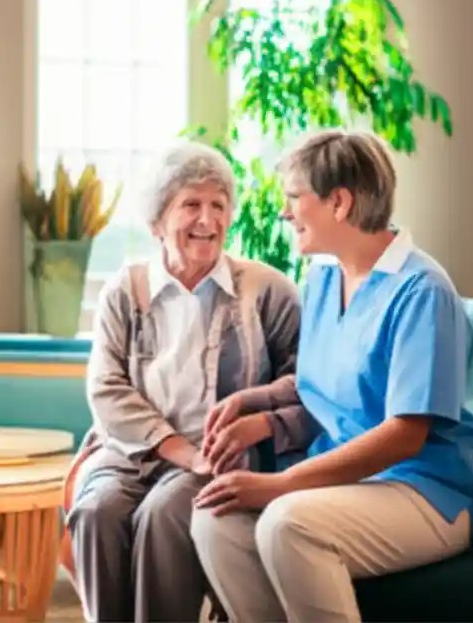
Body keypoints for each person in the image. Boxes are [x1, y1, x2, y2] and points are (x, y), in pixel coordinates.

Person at [190, 130, 473, 623]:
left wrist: (281, 483)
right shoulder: (323, 281)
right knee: (214, 519)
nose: (284, 213)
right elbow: (323, 386)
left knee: (288, 523)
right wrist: (258, 410)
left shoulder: (422, 291)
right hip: (344, 483)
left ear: (339, 202)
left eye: (293, 199)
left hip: (424, 491)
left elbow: (404, 435)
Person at [66, 142, 316, 623]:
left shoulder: (268, 290)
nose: (207, 219)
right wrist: (177, 448)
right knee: (96, 511)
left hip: (218, 454)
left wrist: (255, 421)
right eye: (191, 204)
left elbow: (306, 384)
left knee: (163, 518)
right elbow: (106, 388)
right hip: (129, 451)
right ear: (157, 223)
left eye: (218, 205)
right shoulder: (126, 289)